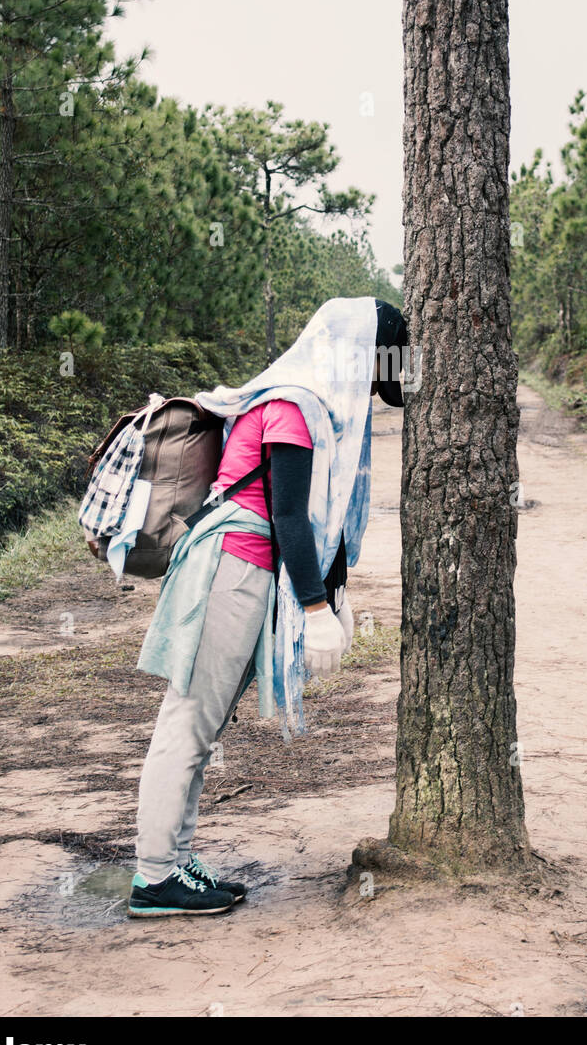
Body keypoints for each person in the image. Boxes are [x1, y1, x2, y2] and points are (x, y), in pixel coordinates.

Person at [128, 295, 407, 917]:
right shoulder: (295, 402)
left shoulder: (310, 399)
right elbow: (288, 515)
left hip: (243, 566)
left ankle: (172, 859)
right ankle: (154, 876)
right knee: (191, 718)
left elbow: (309, 516)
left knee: (206, 720)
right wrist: (313, 609)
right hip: (229, 565)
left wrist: (328, 597)